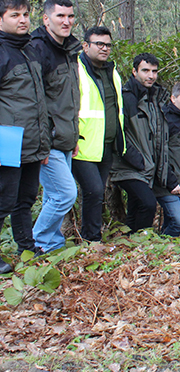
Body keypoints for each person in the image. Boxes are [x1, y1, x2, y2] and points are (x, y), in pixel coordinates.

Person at [26, 0, 81, 254]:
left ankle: (51, 246)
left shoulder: (69, 50)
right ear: (46, 19)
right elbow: (35, 101)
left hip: (65, 139)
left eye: (70, 16)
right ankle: (36, 241)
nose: (66, 21)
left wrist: (74, 137)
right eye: (60, 16)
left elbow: (68, 99)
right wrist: (43, 143)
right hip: (47, 141)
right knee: (65, 194)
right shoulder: (37, 49)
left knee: (53, 195)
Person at [110, 53, 180, 236]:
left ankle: (132, 244)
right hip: (129, 166)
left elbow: (159, 139)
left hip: (148, 167)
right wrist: (139, 160)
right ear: (134, 71)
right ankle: (141, 242)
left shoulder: (156, 99)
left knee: (136, 207)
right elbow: (118, 134)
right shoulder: (126, 98)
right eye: (145, 71)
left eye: (154, 71)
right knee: (147, 203)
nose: (150, 76)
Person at [0, 0, 49, 271]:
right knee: (3, 200)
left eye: (25, 14)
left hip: (32, 141)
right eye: (14, 15)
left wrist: (44, 142)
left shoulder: (30, 50)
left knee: (26, 199)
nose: (22, 20)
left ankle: (26, 248)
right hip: (6, 142)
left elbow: (38, 101)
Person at [71, 26, 125, 243]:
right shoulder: (76, 69)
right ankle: (90, 239)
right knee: (92, 190)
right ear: (86, 45)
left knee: (97, 192)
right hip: (82, 144)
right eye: (99, 44)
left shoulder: (111, 70)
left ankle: (93, 236)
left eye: (108, 45)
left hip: (106, 144)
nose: (105, 49)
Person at [153, 82, 180, 227]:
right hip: (167, 184)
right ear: (173, 98)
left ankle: (165, 248)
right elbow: (160, 153)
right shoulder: (165, 120)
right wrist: (170, 181)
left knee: (171, 223)